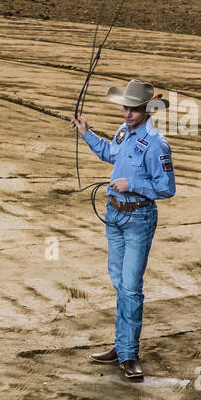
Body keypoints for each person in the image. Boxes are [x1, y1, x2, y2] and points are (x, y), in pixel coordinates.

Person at [71, 79, 175, 381]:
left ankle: (128, 353)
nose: (127, 114)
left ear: (147, 110)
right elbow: (109, 153)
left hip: (139, 218)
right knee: (120, 283)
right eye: (125, 108)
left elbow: (166, 188)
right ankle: (122, 344)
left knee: (130, 287)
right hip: (114, 216)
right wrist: (87, 134)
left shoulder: (157, 145)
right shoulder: (122, 132)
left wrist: (134, 185)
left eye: (134, 109)